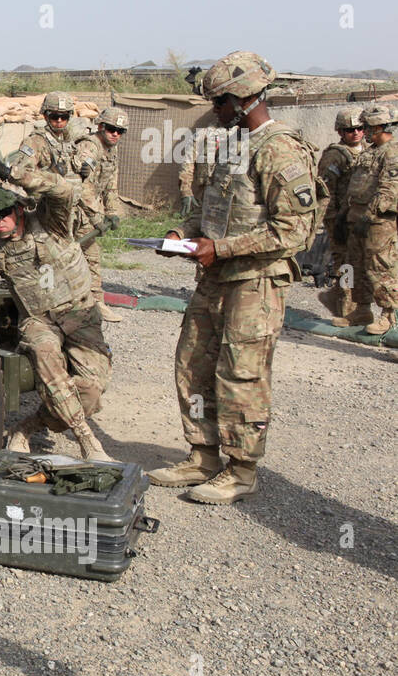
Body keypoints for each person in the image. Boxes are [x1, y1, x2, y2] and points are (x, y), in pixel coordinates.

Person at [148, 51, 318, 505]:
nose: (216, 110)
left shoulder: (280, 147)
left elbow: (294, 230)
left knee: (241, 374)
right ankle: (202, 455)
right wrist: (183, 234)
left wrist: (219, 249)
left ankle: (241, 469)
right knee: (193, 363)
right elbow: (212, 209)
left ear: (244, 98)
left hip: (255, 283)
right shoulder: (233, 144)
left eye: (220, 101)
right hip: (214, 279)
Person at [0, 152, 113, 461]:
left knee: (92, 392)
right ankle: (88, 441)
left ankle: (28, 427)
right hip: (39, 322)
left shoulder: (50, 223)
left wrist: (9, 172)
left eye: (4, 214)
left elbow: (62, 190)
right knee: (46, 356)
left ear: (19, 210)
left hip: (80, 314)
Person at [333, 105, 398, 334]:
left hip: (379, 222)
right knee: (356, 266)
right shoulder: (370, 152)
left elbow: (389, 190)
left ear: (380, 126)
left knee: (380, 268)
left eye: (367, 127)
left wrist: (369, 216)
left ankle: (389, 315)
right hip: (356, 217)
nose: (363, 132)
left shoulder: (392, 152)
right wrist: (343, 214)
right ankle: (362, 310)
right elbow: (355, 186)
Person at [72, 107, 128, 322]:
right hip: (76, 211)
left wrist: (113, 212)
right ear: (102, 127)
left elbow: (110, 186)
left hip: (90, 211)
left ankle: (89, 301)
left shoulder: (111, 151)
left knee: (83, 256)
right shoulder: (90, 146)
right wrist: (96, 218)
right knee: (90, 257)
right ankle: (95, 302)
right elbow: (82, 187)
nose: (116, 134)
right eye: (112, 129)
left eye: (120, 131)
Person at [317, 108, 368, 319]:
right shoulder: (334, 156)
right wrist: (333, 220)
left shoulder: (367, 151)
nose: (355, 133)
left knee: (360, 264)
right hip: (340, 219)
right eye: (349, 130)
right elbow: (325, 191)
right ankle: (345, 307)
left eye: (359, 128)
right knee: (345, 265)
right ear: (340, 131)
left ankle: (342, 299)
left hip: (359, 219)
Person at [8, 91, 79, 177]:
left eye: (64, 117)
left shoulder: (68, 140)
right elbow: (20, 174)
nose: (59, 120)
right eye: (55, 117)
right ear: (46, 117)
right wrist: (49, 174)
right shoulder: (34, 142)